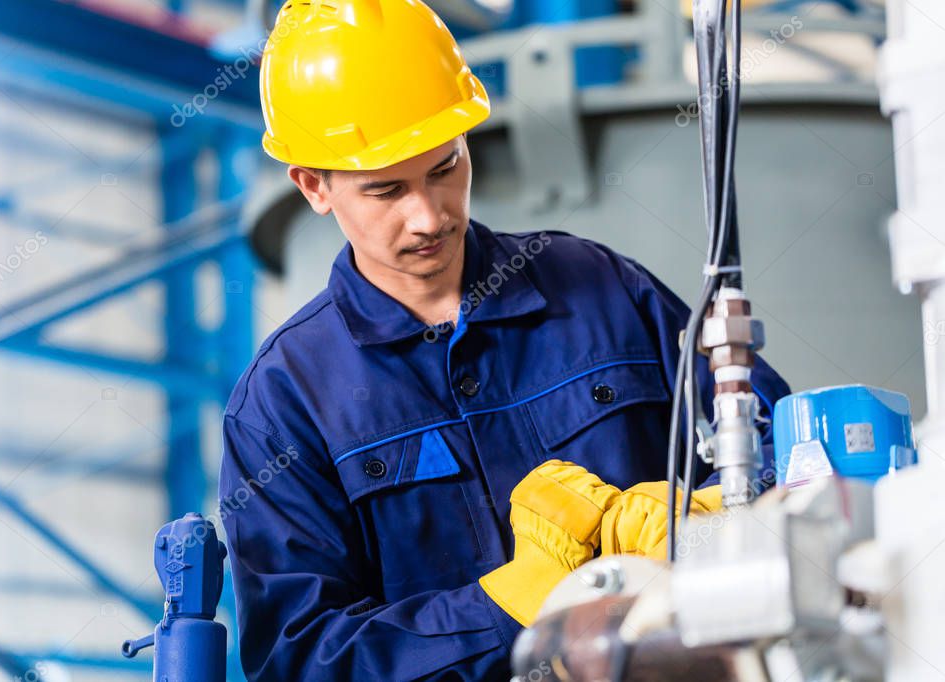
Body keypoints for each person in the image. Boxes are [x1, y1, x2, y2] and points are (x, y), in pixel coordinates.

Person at [218, 1, 790, 679]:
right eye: (386, 191)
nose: (428, 216)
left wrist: (707, 518)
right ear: (313, 185)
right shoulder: (286, 400)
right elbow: (302, 659)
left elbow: (787, 448)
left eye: (443, 168)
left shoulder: (597, 287)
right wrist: (508, 603)